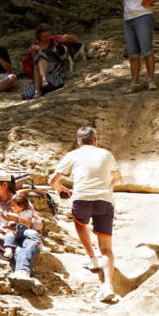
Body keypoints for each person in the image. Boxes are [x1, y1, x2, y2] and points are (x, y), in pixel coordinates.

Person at [50, 127, 120, 302]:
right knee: (106, 248)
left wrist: (61, 188)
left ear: (79, 142)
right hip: (104, 201)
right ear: (96, 140)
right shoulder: (106, 154)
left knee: (81, 224)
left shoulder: (73, 155)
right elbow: (118, 177)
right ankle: (107, 286)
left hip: (81, 199)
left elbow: (52, 181)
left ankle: (92, 258)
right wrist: (109, 188)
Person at [0, 173, 45, 294]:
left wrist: (18, 220)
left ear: (5, 185)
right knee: (18, 249)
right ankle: (32, 279)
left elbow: (37, 224)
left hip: (23, 234)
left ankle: (25, 276)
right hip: (6, 236)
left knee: (31, 243)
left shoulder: (21, 200)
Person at [121, 0, 159, 91]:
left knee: (146, 50)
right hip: (129, 20)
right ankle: (135, 82)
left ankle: (151, 81)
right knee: (133, 53)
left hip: (142, 17)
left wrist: (147, 2)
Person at [22, 26, 82, 99]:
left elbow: (74, 39)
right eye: (44, 36)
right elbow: (33, 65)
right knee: (26, 95)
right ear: (39, 36)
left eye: (48, 35)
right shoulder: (34, 47)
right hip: (38, 79)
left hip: (55, 74)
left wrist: (66, 38)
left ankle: (43, 82)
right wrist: (34, 53)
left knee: (40, 56)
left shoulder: (54, 41)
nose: (47, 38)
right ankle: (39, 89)